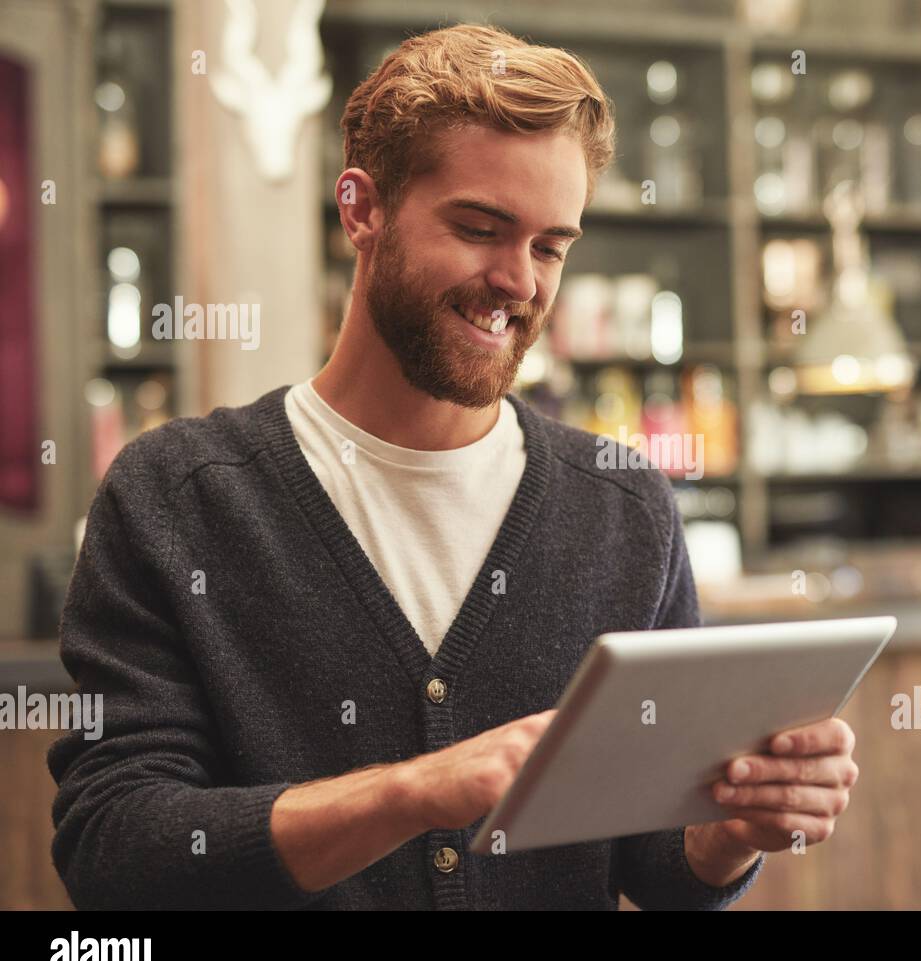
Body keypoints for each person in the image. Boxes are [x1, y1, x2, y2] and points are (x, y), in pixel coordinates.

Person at [48, 23, 860, 910]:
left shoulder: (624, 506)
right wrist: (414, 792)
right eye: (481, 228)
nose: (520, 280)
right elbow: (114, 848)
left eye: (551, 246)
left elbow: (658, 865)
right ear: (360, 209)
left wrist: (731, 830)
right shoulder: (175, 498)